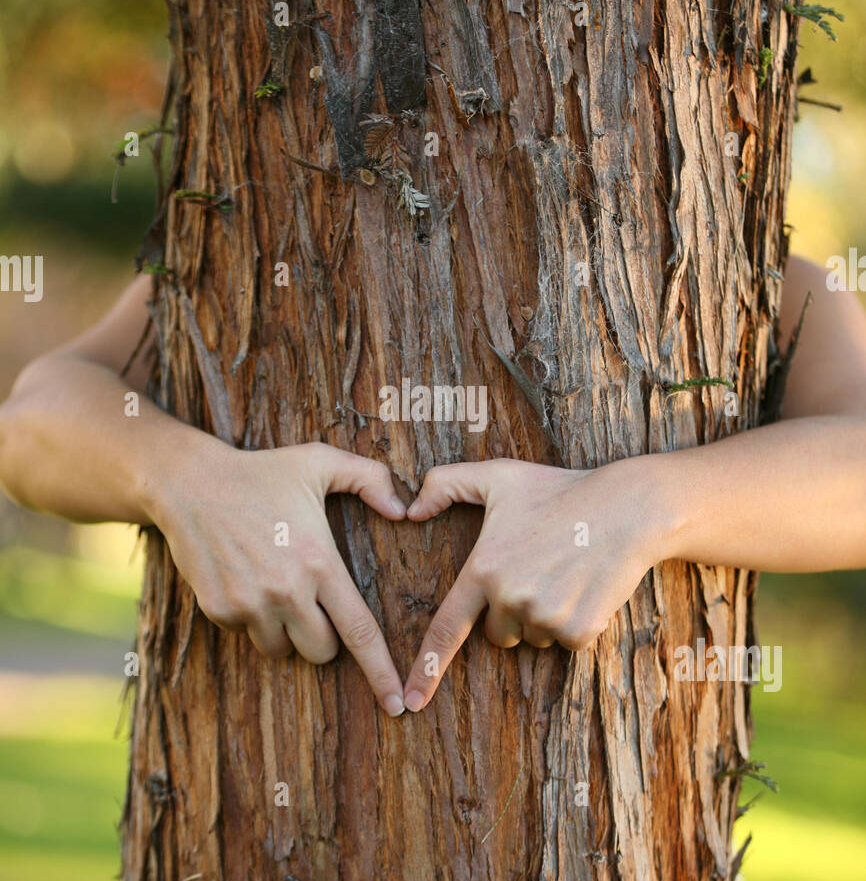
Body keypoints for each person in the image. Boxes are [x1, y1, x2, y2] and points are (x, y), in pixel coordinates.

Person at [0, 256, 864, 720]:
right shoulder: (233, 250)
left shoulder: (764, 281)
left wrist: (639, 505)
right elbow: (32, 420)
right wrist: (184, 479)